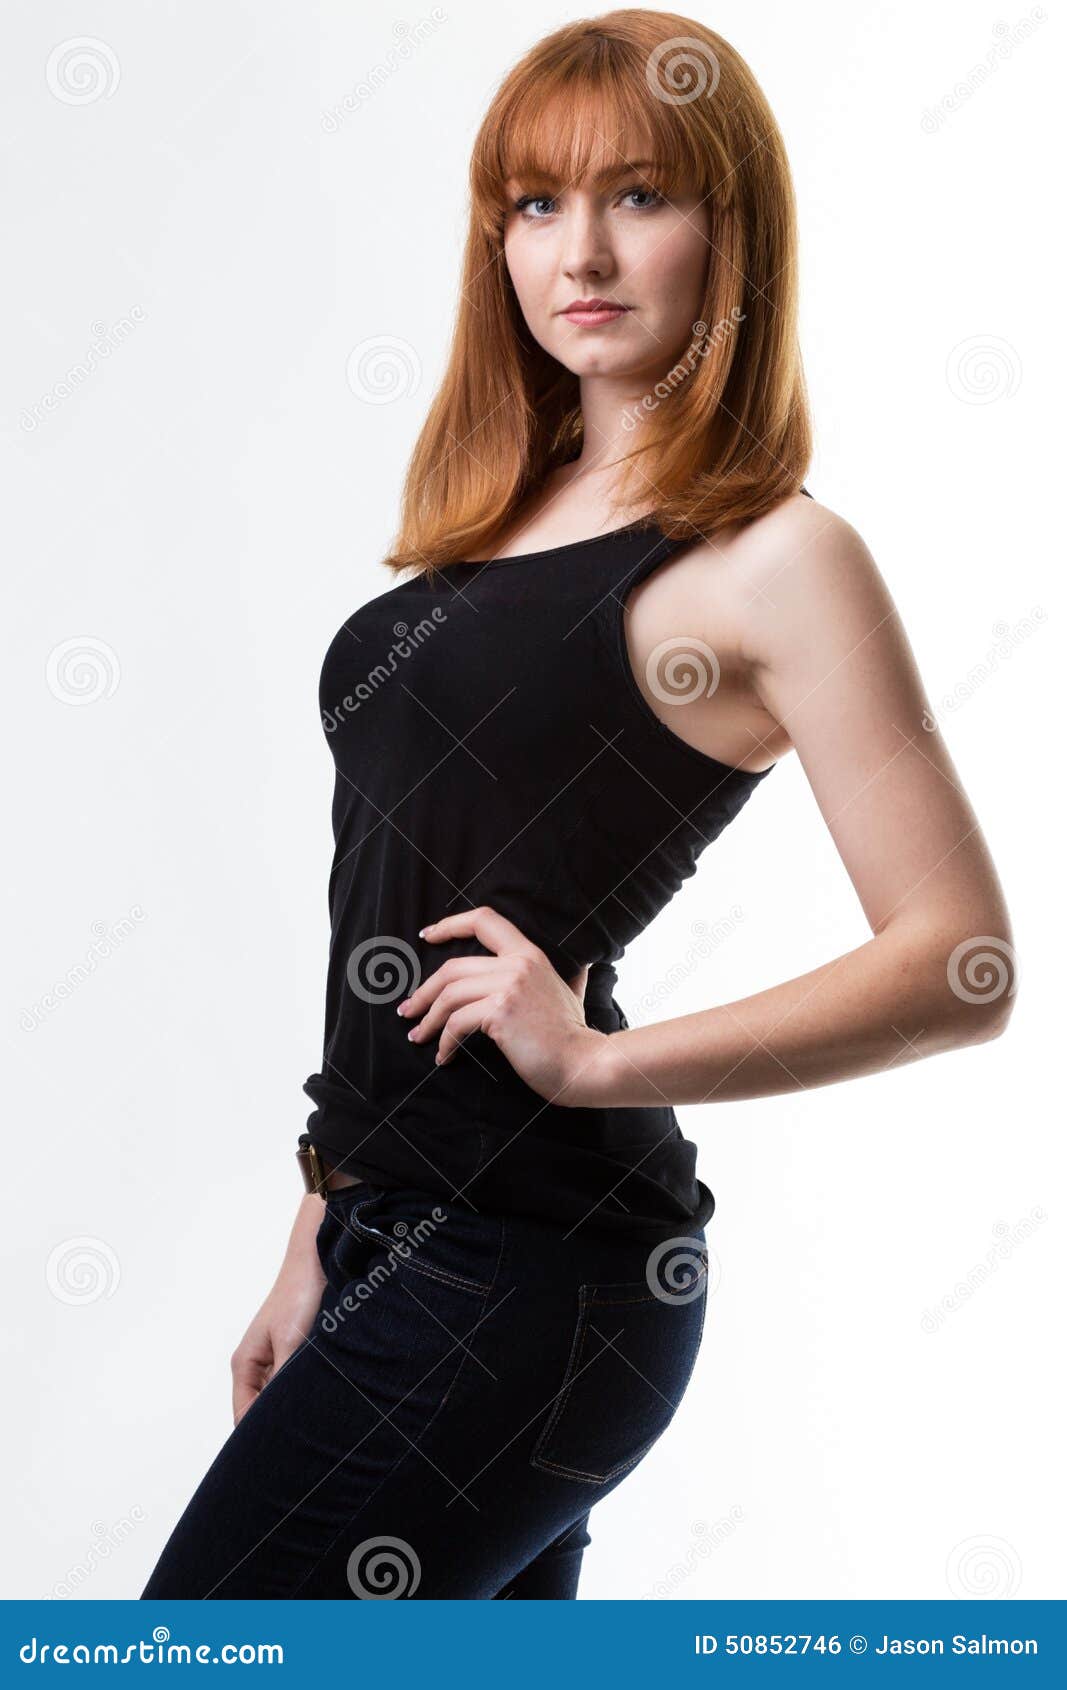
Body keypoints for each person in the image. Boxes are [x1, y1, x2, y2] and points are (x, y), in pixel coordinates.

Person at [141, 9, 1013, 1600]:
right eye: (537, 204)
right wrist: (320, 1230)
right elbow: (398, 896)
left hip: (529, 1272)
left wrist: (597, 1054)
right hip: (397, 1241)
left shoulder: (771, 559)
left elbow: (962, 959)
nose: (583, 250)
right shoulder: (495, 521)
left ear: (729, 225)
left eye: (642, 194)